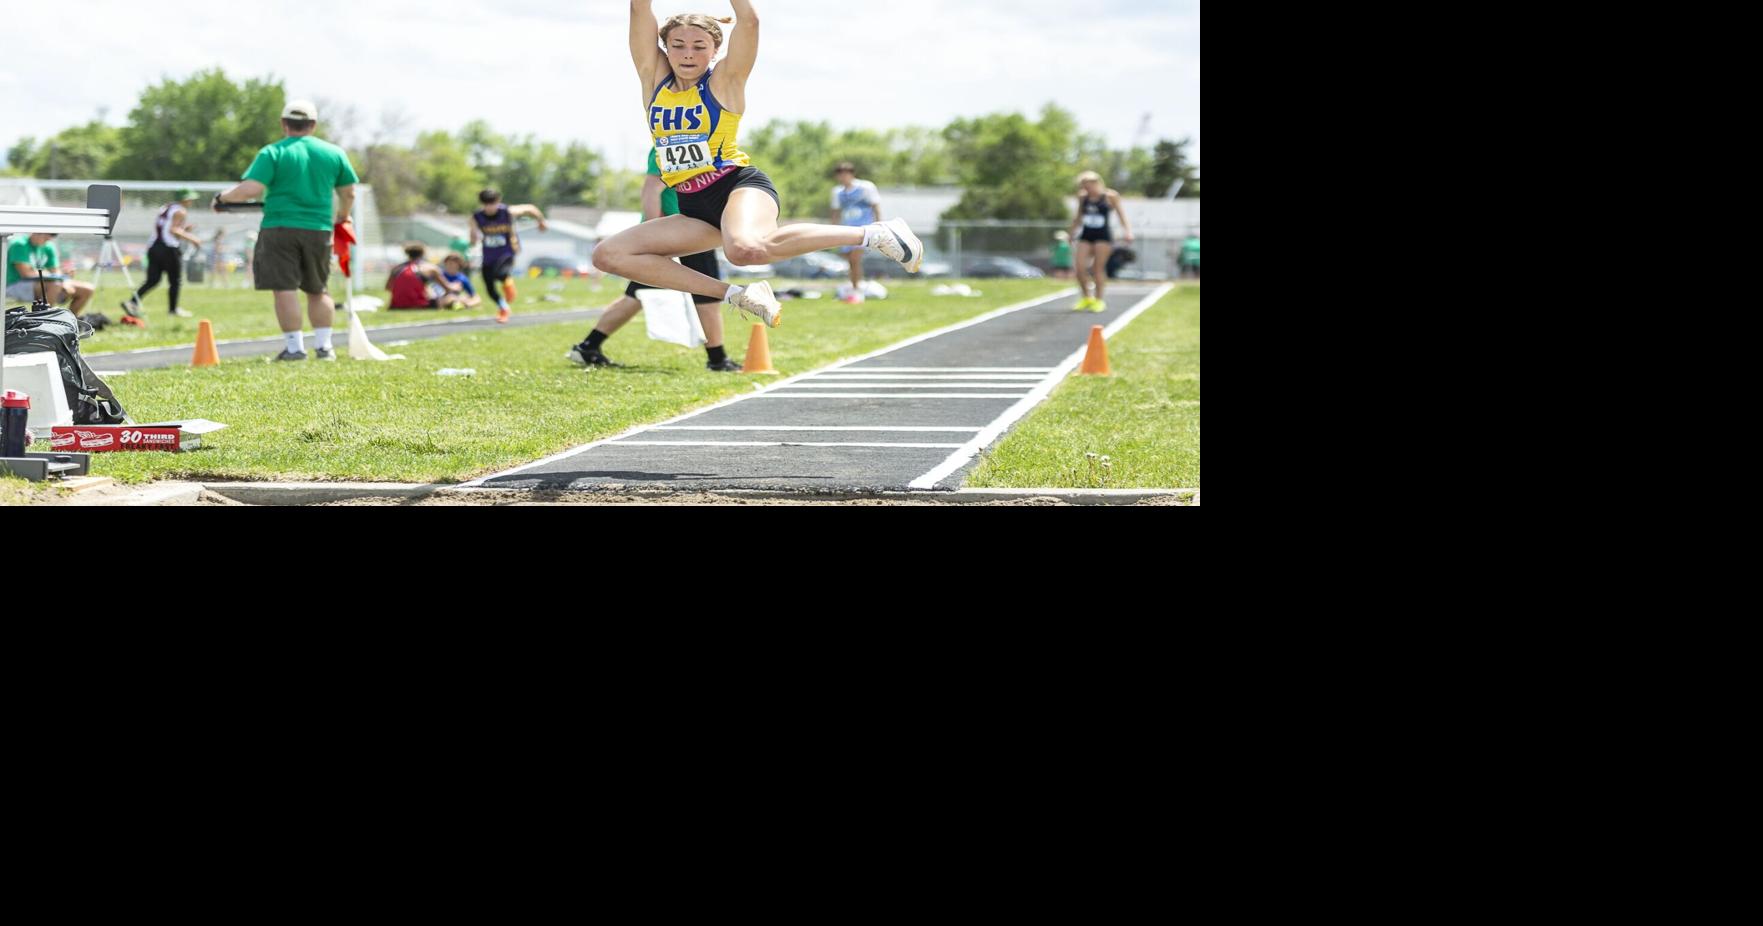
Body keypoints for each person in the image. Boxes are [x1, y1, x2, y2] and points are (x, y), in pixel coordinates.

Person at [592, 1, 926, 330]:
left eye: (699, 46)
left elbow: (748, 22)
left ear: (714, 51)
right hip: (692, 203)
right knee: (608, 255)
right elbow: (639, 9)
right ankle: (738, 295)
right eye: (678, 46)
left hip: (736, 186)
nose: (688, 54)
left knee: (746, 249)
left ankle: (875, 234)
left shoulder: (724, 81)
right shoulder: (653, 81)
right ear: (665, 48)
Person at [570, 148, 741, 371]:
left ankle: (588, 346)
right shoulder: (671, 142)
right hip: (682, 231)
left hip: (686, 228)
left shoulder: (705, 142)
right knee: (707, 296)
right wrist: (651, 234)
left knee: (637, 295)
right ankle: (718, 360)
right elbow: (652, 189)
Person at [215, 99, 359, 361]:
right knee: (318, 289)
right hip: (319, 228)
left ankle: (295, 348)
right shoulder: (334, 153)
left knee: (284, 289)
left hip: (279, 228)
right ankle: (325, 347)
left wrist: (222, 198)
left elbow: (250, 190)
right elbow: (348, 193)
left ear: (284, 124)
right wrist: (343, 217)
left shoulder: (272, 152)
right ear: (313, 125)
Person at [121, 189, 204, 325]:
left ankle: (132, 302)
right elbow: (173, 230)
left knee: (153, 280)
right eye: (190, 199)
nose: (191, 202)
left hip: (154, 247)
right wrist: (193, 238)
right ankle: (173, 309)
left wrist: (184, 230)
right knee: (175, 281)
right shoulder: (180, 211)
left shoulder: (165, 207)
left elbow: (166, 228)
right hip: (169, 248)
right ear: (184, 199)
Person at [471, 189, 548, 324]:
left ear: (498, 202)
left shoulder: (507, 211)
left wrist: (541, 221)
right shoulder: (476, 216)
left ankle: (508, 285)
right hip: (488, 255)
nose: (490, 207)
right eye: (486, 204)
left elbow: (531, 208)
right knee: (489, 286)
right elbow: (472, 234)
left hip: (507, 251)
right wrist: (473, 238)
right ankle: (503, 307)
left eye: (492, 204)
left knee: (500, 274)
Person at [1067, 171, 1133, 312]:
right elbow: (1078, 217)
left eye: (1089, 185)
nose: (1087, 188)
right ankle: (1086, 298)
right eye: (1084, 185)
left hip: (1103, 236)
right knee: (1079, 268)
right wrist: (1071, 233)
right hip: (1086, 234)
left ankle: (1099, 300)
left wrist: (1127, 231)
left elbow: (1121, 215)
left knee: (1098, 268)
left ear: (1097, 183)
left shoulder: (1110, 196)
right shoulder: (1083, 197)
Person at [828, 161, 882, 302]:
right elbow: (835, 213)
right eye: (840, 174)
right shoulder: (837, 192)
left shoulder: (866, 187)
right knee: (850, 261)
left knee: (855, 258)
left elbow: (875, 207)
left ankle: (857, 289)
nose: (843, 177)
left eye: (846, 173)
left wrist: (878, 225)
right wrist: (833, 231)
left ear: (852, 174)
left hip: (863, 229)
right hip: (847, 229)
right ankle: (855, 286)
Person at [4, 233, 95, 315]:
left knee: (87, 289)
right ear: (37, 232)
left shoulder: (48, 246)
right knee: (55, 285)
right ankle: (44, 322)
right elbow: (27, 274)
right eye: (48, 235)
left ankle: (70, 323)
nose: (50, 238)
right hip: (14, 285)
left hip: (45, 283)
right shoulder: (19, 244)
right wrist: (59, 279)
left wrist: (64, 279)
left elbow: (55, 272)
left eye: (52, 235)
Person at [387, 243, 468, 309]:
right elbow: (447, 288)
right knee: (452, 297)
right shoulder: (430, 268)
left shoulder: (396, 268)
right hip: (419, 304)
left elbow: (388, 287)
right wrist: (455, 286)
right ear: (423, 254)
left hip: (396, 305)